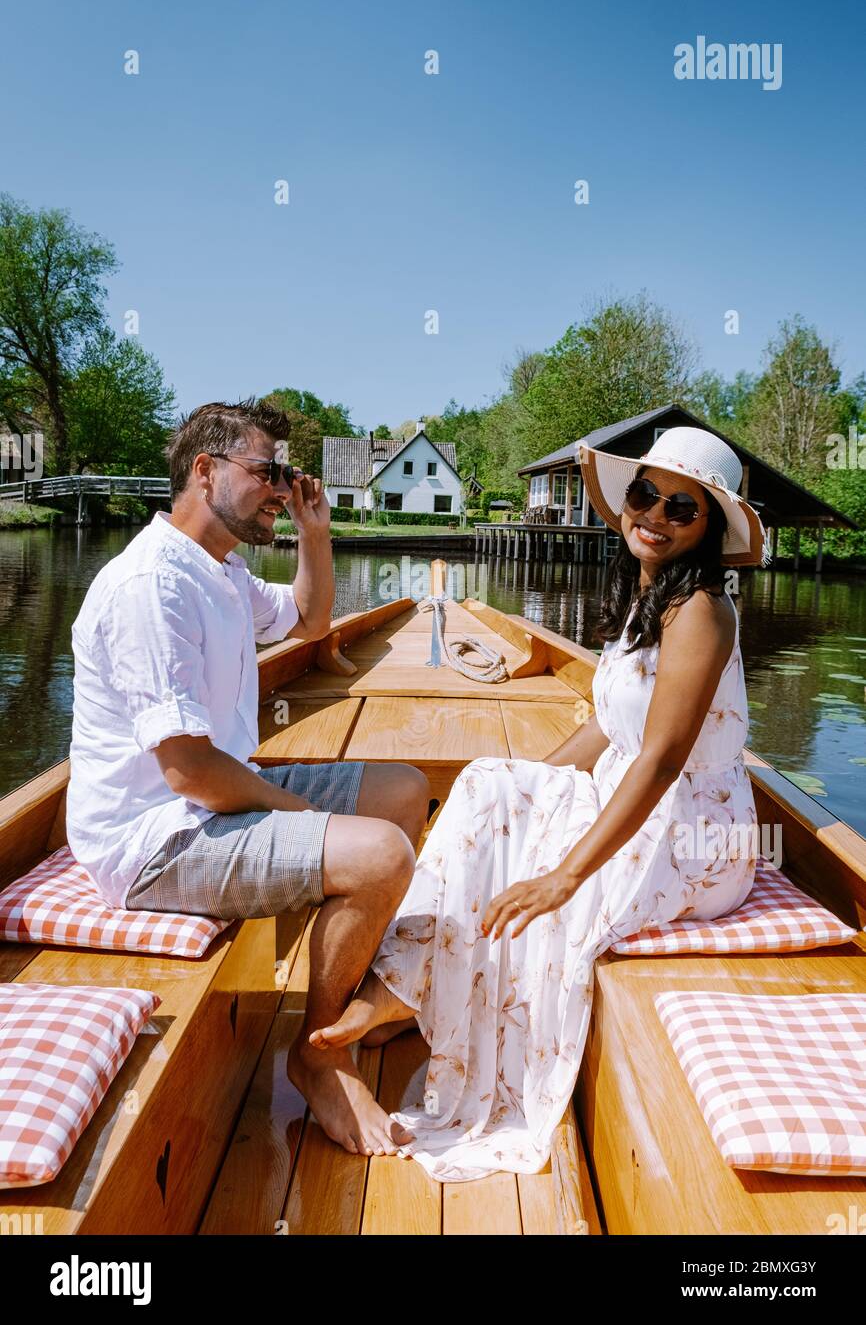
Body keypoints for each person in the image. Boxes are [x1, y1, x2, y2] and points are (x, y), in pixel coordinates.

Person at [310, 426, 772, 1182]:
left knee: (546, 871)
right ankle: (408, 984)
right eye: (643, 492)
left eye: (680, 505)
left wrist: (564, 875)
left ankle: (403, 994)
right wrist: (517, 786)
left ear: (711, 526)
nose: (653, 513)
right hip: (640, 797)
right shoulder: (656, 594)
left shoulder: (702, 612)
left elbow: (658, 761)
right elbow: (606, 726)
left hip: (692, 838)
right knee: (492, 788)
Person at [66, 400, 429, 1159]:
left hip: (213, 798)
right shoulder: (149, 588)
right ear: (205, 470)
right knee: (380, 855)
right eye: (268, 472)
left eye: (285, 473)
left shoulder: (220, 570)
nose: (280, 486)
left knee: (403, 789)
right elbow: (187, 769)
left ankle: (359, 990)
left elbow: (308, 620)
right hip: (153, 839)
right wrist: (297, 812)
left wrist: (315, 534)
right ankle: (319, 1052)